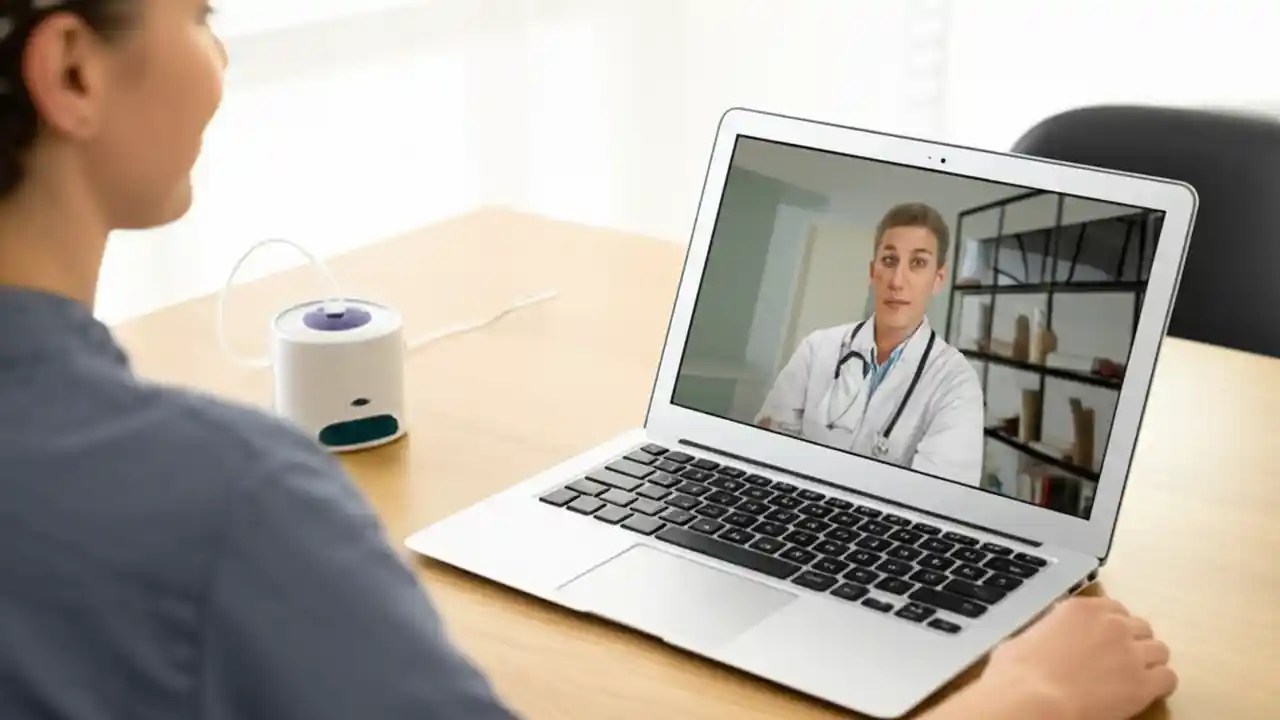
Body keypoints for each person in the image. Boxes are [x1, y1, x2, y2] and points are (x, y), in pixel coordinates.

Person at [0, 2, 1176, 719]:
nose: (218, 53)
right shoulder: (233, 504)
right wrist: (1023, 702)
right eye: (200, 10)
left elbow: (937, 480)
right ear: (73, 71)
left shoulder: (957, 380)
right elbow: (774, 427)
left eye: (919, 263)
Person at [756, 202, 985, 485]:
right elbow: (766, 450)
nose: (897, 281)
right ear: (872, 271)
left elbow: (941, 501)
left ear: (937, 279)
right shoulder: (817, 349)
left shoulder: (956, 382)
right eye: (889, 261)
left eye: (918, 263)